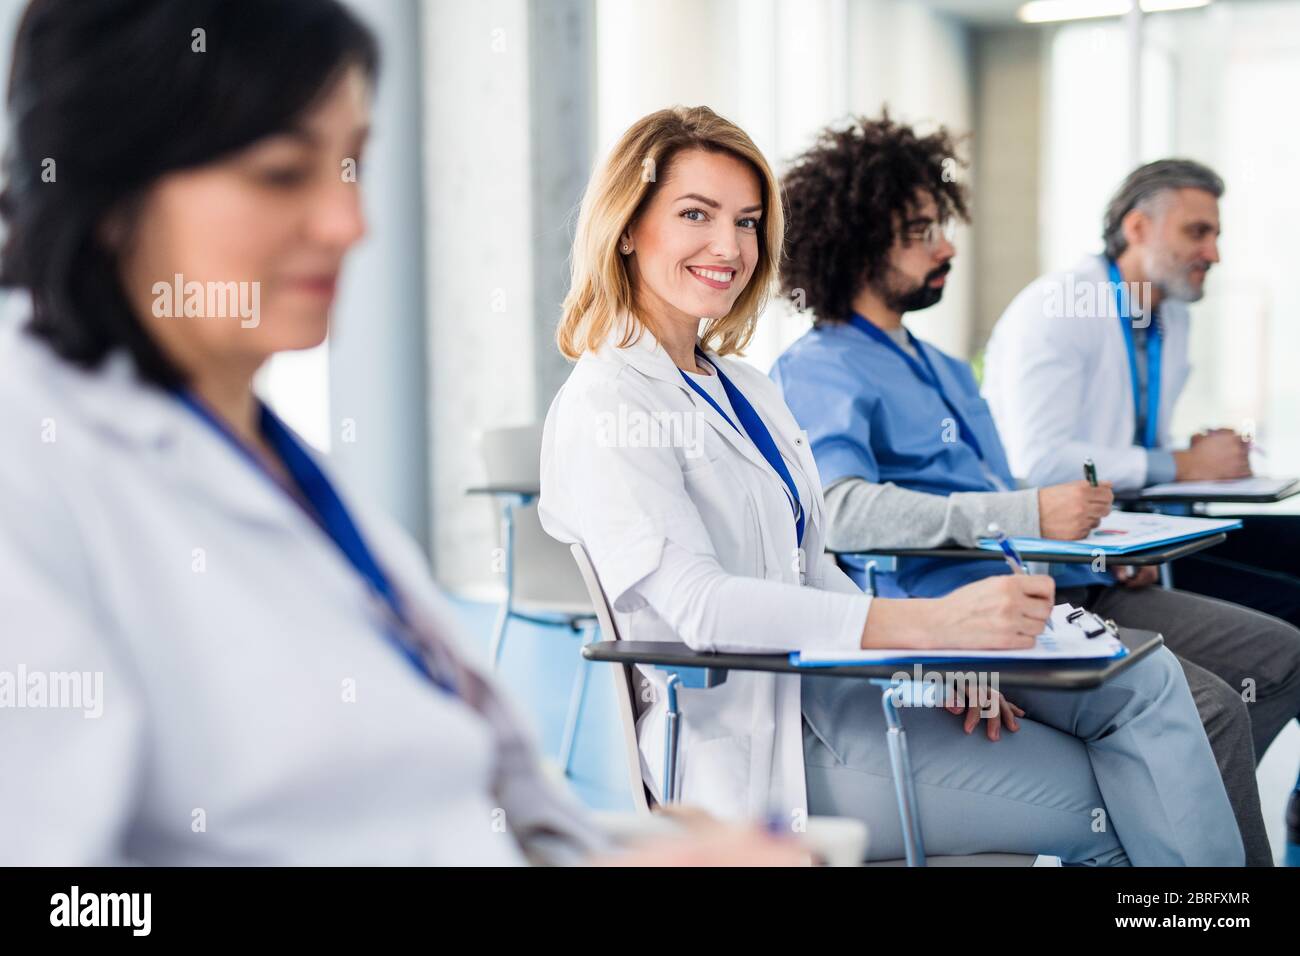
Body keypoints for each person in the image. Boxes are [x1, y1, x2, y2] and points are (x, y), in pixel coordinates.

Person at [0, 0, 808, 867]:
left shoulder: (269, 456)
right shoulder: (33, 472)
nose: (352, 223)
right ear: (111, 186)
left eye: (353, 165)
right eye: (283, 172)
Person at [538, 104, 1243, 865]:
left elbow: (812, 570)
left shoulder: (740, 384)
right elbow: (702, 609)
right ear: (626, 225)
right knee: (1118, 804)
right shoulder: (609, 401)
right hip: (767, 748)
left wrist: (931, 670)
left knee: (1141, 733)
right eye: (695, 214)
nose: (729, 245)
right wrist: (930, 630)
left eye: (746, 222)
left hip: (844, 696)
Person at [770, 115, 1300, 866]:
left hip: (1054, 592)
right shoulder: (820, 369)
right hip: (964, 617)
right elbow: (845, 512)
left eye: (941, 227)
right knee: (1209, 706)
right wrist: (1027, 514)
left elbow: (1001, 490)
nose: (948, 246)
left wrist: (1097, 554)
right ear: (858, 244)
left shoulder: (945, 369)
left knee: (1272, 663)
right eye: (922, 232)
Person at [982, 157, 1300, 855]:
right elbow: (1038, 461)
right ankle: (1164, 815)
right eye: (1199, 231)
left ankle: (1180, 804)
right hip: (1047, 571)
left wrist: (1189, 458)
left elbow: (1128, 452)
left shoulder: (1169, 322)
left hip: (1118, 555)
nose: (1214, 252)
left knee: (1283, 651)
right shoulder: (1058, 306)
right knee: (1235, 681)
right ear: (1137, 227)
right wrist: (1183, 463)